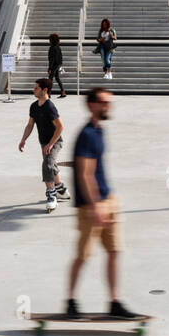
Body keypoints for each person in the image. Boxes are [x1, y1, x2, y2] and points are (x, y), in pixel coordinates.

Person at [65, 87, 140, 319]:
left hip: (108, 200)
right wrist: (96, 205)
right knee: (83, 255)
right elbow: (85, 173)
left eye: (110, 102)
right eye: (105, 102)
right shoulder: (86, 134)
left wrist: (106, 202)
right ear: (92, 105)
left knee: (115, 251)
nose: (109, 106)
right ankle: (70, 301)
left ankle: (114, 302)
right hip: (91, 206)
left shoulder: (100, 131)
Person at [20, 77, 71, 211]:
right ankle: (61, 189)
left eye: (36, 88)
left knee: (47, 164)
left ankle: (51, 195)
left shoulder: (50, 106)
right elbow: (30, 124)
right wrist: (23, 139)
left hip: (55, 141)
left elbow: (60, 127)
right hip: (43, 142)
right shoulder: (34, 106)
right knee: (51, 165)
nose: (33, 90)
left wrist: (50, 144)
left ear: (45, 90)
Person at [47, 33, 67, 98]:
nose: (49, 40)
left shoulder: (52, 48)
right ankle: (63, 92)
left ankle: (48, 93)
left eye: (50, 39)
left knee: (50, 79)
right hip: (58, 64)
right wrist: (60, 64)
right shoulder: (58, 47)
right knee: (57, 78)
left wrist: (50, 68)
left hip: (54, 65)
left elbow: (52, 59)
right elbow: (60, 56)